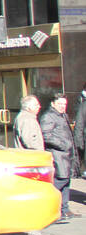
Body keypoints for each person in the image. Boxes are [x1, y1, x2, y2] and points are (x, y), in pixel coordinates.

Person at [39, 93, 76, 224]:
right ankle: (51, 210)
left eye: (64, 104)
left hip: (66, 155)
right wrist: (63, 145)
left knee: (66, 182)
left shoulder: (62, 115)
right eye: (60, 104)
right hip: (58, 154)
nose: (62, 107)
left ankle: (64, 208)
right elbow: (46, 135)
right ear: (53, 104)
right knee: (59, 182)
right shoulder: (49, 116)